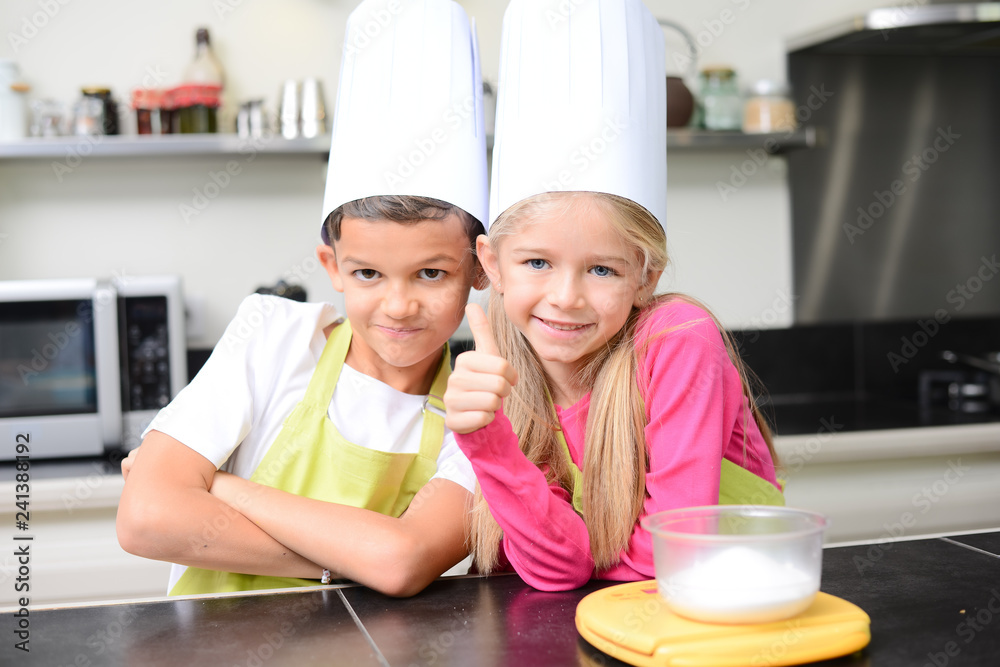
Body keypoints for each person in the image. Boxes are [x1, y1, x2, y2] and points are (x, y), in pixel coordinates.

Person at [116, 0, 489, 598]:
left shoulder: (480, 415)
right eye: (368, 273)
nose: (397, 306)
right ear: (331, 267)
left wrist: (222, 488)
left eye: (430, 275)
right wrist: (353, 557)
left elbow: (402, 563)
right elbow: (145, 519)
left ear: (479, 269)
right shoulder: (271, 338)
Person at [442, 0, 784, 592]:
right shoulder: (509, 383)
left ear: (645, 276)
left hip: (731, 613)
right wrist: (488, 444)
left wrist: (582, 560)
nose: (566, 297)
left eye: (601, 269)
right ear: (492, 264)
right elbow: (557, 573)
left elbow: (668, 556)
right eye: (538, 262)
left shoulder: (677, 340)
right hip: (606, 626)